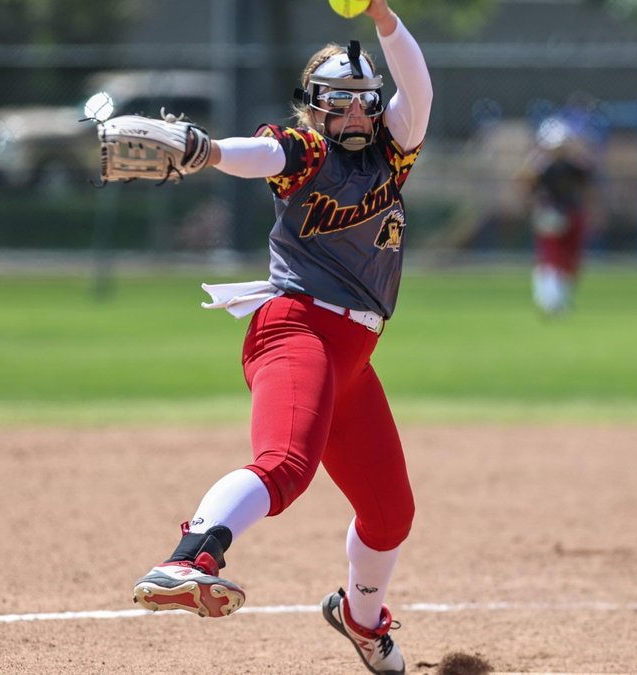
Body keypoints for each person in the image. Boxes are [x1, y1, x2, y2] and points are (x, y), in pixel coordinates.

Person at [129, 1, 431, 673]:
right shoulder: (306, 151)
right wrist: (206, 151)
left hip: (353, 356)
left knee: (390, 513)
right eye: (338, 103)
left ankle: (360, 616)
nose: (354, 115)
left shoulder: (393, 152)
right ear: (313, 108)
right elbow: (259, 153)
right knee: (285, 464)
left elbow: (421, 88)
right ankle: (188, 558)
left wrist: (384, 15)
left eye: (364, 103)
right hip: (296, 329)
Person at [515, 113, 599, 316]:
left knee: (571, 259)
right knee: (551, 256)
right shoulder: (541, 165)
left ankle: (560, 298)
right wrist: (533, 206)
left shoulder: (574, 164)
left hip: (572, 212)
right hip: (550, 213)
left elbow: (589, 183)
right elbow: (524, 182)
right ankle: (550, 300)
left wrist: (594, 211)